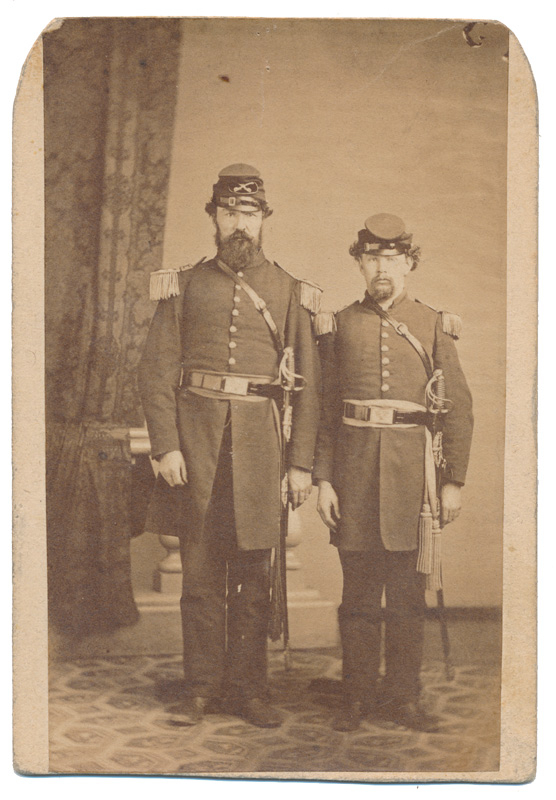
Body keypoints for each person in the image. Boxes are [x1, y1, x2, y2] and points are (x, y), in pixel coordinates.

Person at [138, 164, 321, 728]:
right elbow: (156, 371)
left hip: (261, 454)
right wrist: (166, 446)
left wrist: (300, 465)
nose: (239, 223)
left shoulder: (291, 292)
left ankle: (247, 690)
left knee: (251, 579)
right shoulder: (184, 285)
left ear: (263, 221)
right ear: (214, 217)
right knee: (198, 577)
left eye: (250, 214)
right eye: (229, 212)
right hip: (195, 451)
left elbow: (308, 386)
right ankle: (200, 687)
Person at [313, 214, 473, 732]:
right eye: (372, 258)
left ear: (408, 264)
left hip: (414, 482)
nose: (382, 268)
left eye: (392, 259)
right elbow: (322, 409)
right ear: (359, 263)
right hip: (354, 476)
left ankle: (402, 697)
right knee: (358, 595)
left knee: (407, 597)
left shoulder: (431, 324)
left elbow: (458, 409)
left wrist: (452, 481)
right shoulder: (338, 325)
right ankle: (357, 695)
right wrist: (323, 479)